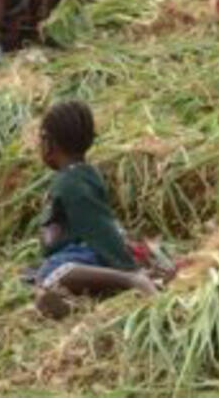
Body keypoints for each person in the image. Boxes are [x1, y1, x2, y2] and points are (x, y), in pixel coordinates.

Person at [29, 101, 156, 319]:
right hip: (80, 254)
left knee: (49, 274)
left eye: (41, 139)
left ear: (50, 144)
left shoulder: (72, 184)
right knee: (43, 275)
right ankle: (73, 306)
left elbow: (99, 226)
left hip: (85, 255)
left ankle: (130, 282)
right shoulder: (78, 175)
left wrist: (130, 270)